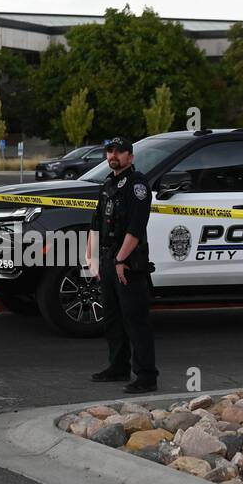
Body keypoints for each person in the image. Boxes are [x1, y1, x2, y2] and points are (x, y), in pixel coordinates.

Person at [86, 136, 158, 393]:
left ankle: (146, 376)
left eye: (119, 151)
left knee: (135, 320)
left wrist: (120, 259)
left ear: (131, 156)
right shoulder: (107, 184)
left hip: (128, 263)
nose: (113, 155)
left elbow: (136, 227)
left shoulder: (137, 185)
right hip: (107, 260)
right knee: (113, 319)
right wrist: (91, 257)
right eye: (110, 151)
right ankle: (118, 367)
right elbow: (96, 222)